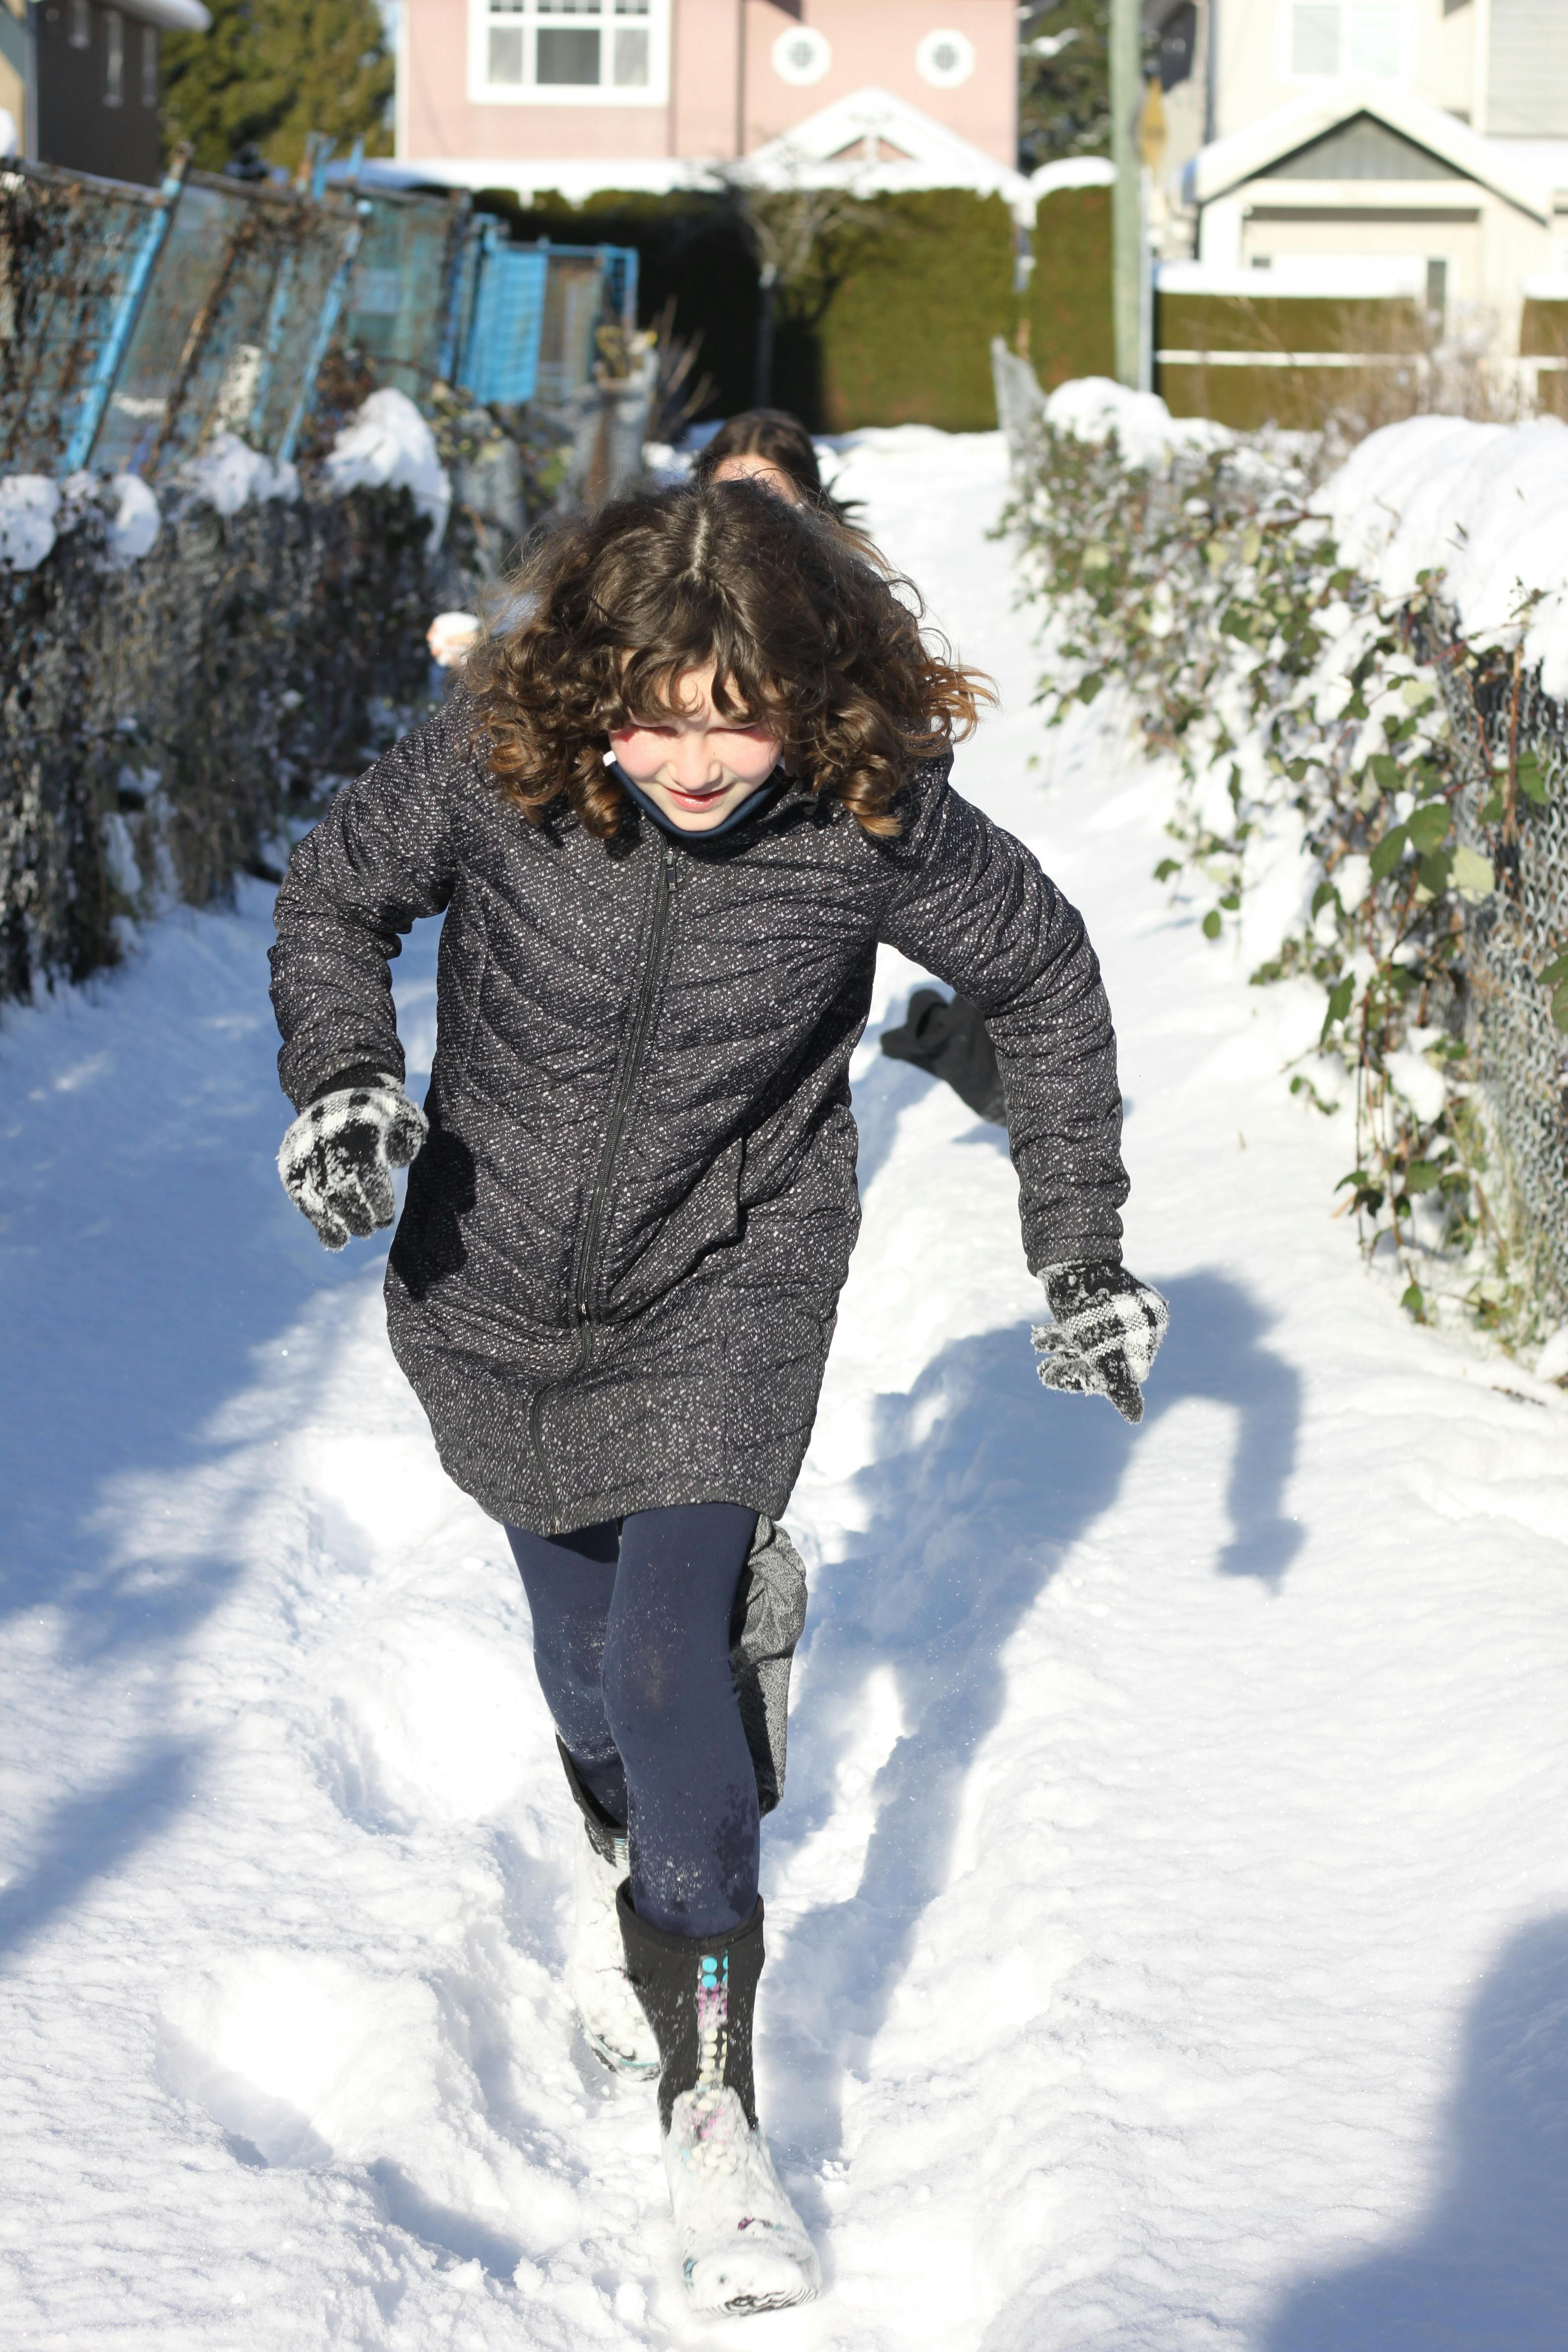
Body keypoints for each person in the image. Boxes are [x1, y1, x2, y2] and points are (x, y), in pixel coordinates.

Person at [268, 479, 1167, 2317]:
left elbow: (1048, 982)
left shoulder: (869, 810)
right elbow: (334, 896)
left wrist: (1074, 1248)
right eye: (655, 718)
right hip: (490, 1283)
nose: (692, 761)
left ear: (806, 693)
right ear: (593, 685)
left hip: (730, 1279)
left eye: (732, 717)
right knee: (588, 1671)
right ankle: (649, 1856)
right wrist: (347, 1077)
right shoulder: (496, 764)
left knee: (664, 1656)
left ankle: (712, 2111)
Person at [696, 409, 1007, 1125]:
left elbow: (912, 742)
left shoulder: (852, 606)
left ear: (808, 504)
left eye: (768, 493)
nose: (748, 511)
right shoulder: (661, 595)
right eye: (729, 490)